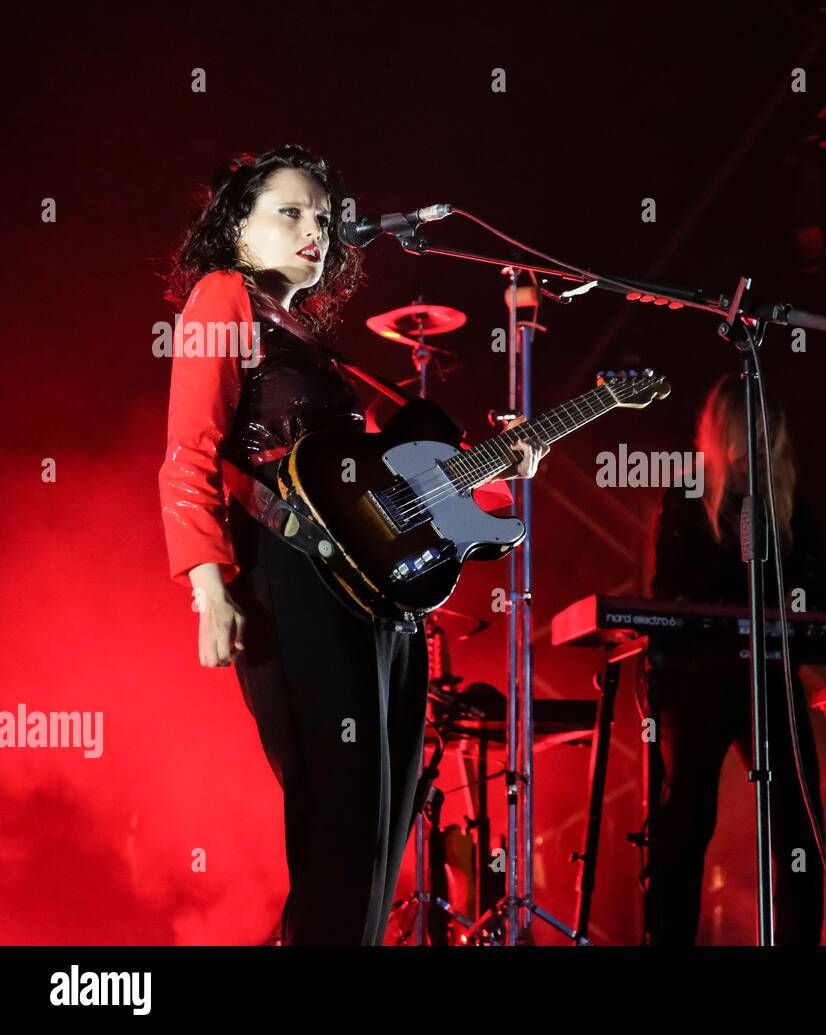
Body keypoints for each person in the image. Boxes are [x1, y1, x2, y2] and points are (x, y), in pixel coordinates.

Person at [158, 145, 545, 945]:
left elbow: (392, 490)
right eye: (291, 213)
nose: (316, 232)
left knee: (377, 831)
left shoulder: (307, 341)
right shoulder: (221, 296)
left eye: (325, 220)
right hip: (290, 576)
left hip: (372, 599)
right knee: (338, 828)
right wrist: (208, 586)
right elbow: (188, 449)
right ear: (236, 226)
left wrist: (495, 478)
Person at [641, 372, 826, 945]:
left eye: (767, 426)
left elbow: (823, 603)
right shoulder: (686, 498)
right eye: (748, 424)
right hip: (697, 676)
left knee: (799, 823)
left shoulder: (793, 509)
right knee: (686, 821)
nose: (759, 435)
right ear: (723, 427)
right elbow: (667, 596)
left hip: (769, 675)